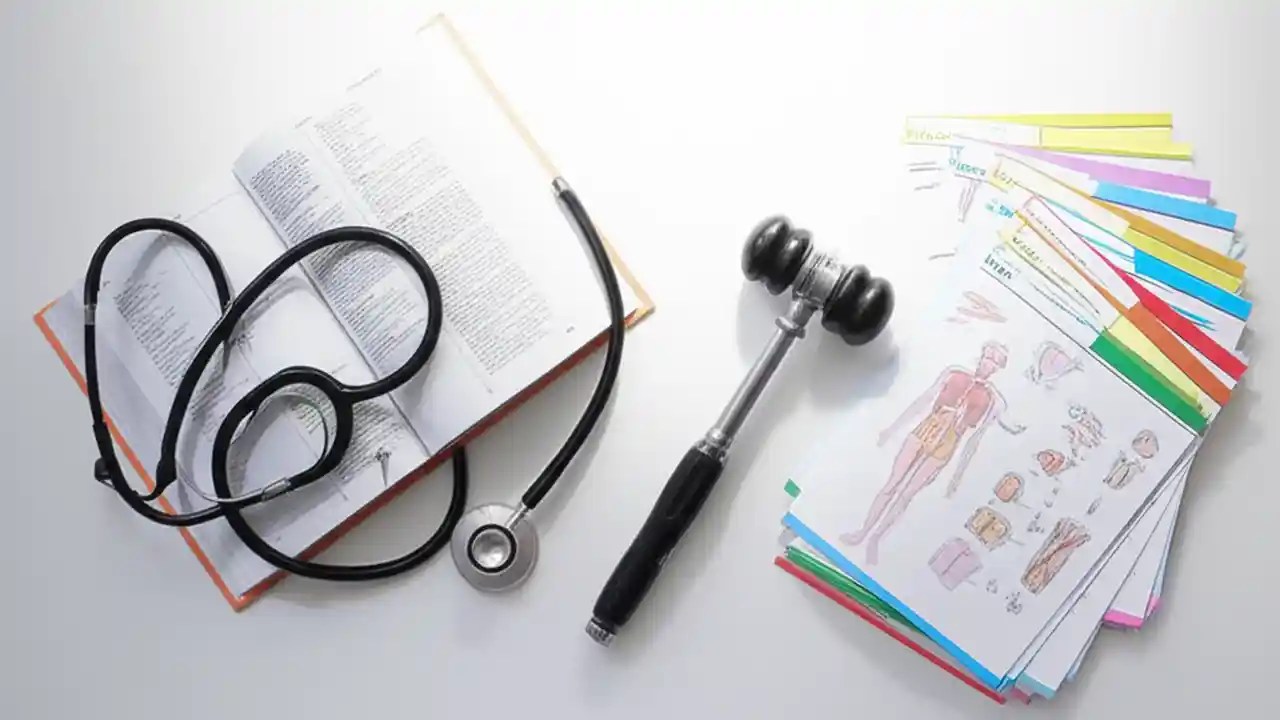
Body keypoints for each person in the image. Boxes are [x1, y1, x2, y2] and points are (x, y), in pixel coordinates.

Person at [841, 341, 1013, 564]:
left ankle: (876, 538)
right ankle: (863, 532)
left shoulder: (991, 400)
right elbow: (923, 400)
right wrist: (892, 428)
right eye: (988, 358)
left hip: (948, 443)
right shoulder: (955, 373)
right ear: (982, 356)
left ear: (998, 369)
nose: (989, 365)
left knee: (907, 494)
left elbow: (974, 440)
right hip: (926, 430)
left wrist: (957, 475)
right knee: (892, 484)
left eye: (995, 363)